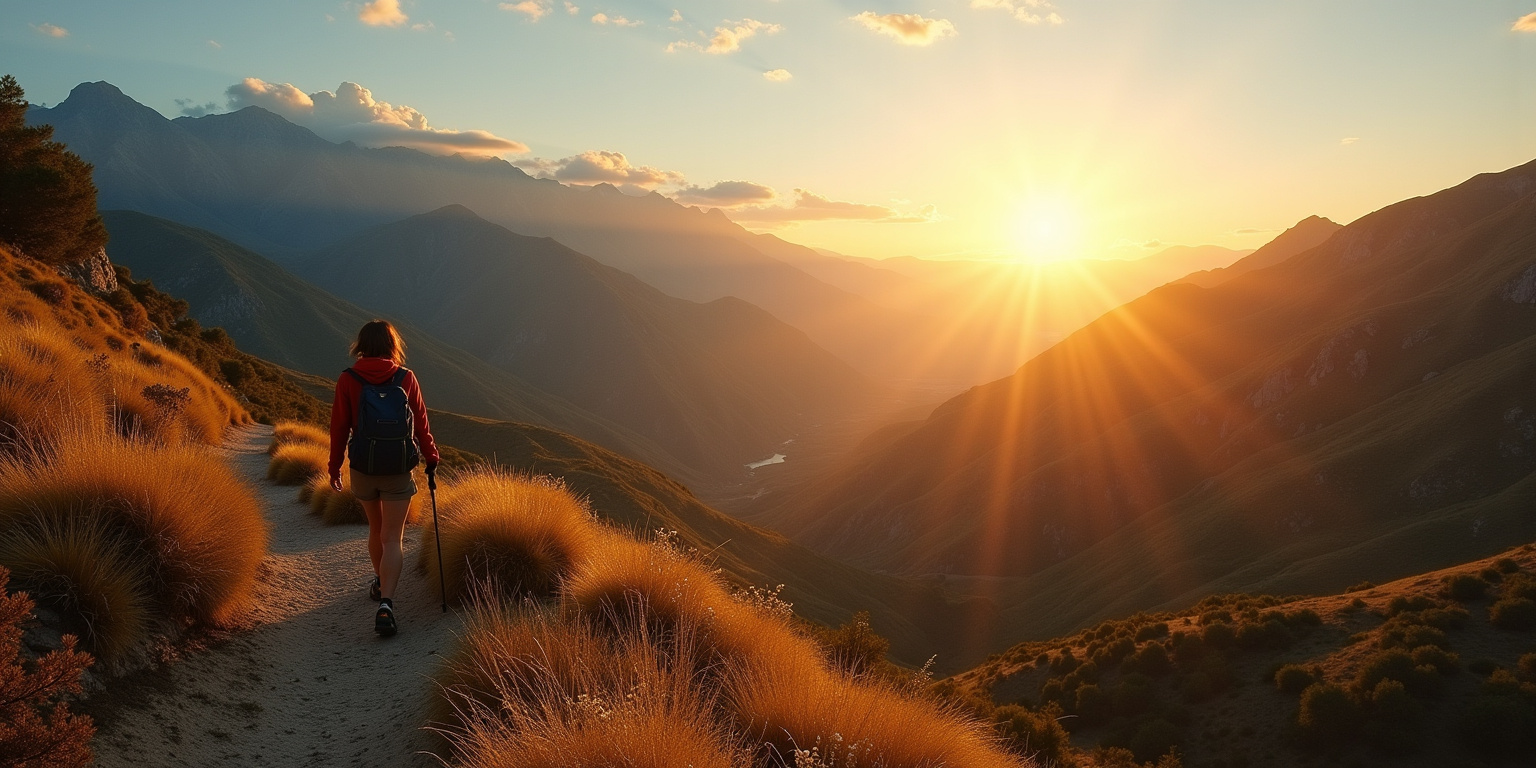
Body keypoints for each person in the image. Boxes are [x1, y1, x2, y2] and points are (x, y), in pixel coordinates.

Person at [328, 320, 439, 637]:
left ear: (360, 345)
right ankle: (387, 602)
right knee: (393, 537)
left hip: (363, 468)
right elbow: (420, 425)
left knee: (376, 530)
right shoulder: (406, 378)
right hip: (398, 469)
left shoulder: (348, 379)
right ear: (393, 345)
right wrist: (431, 457)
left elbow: (339, 428)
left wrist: (335, 467)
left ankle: (379, 582)